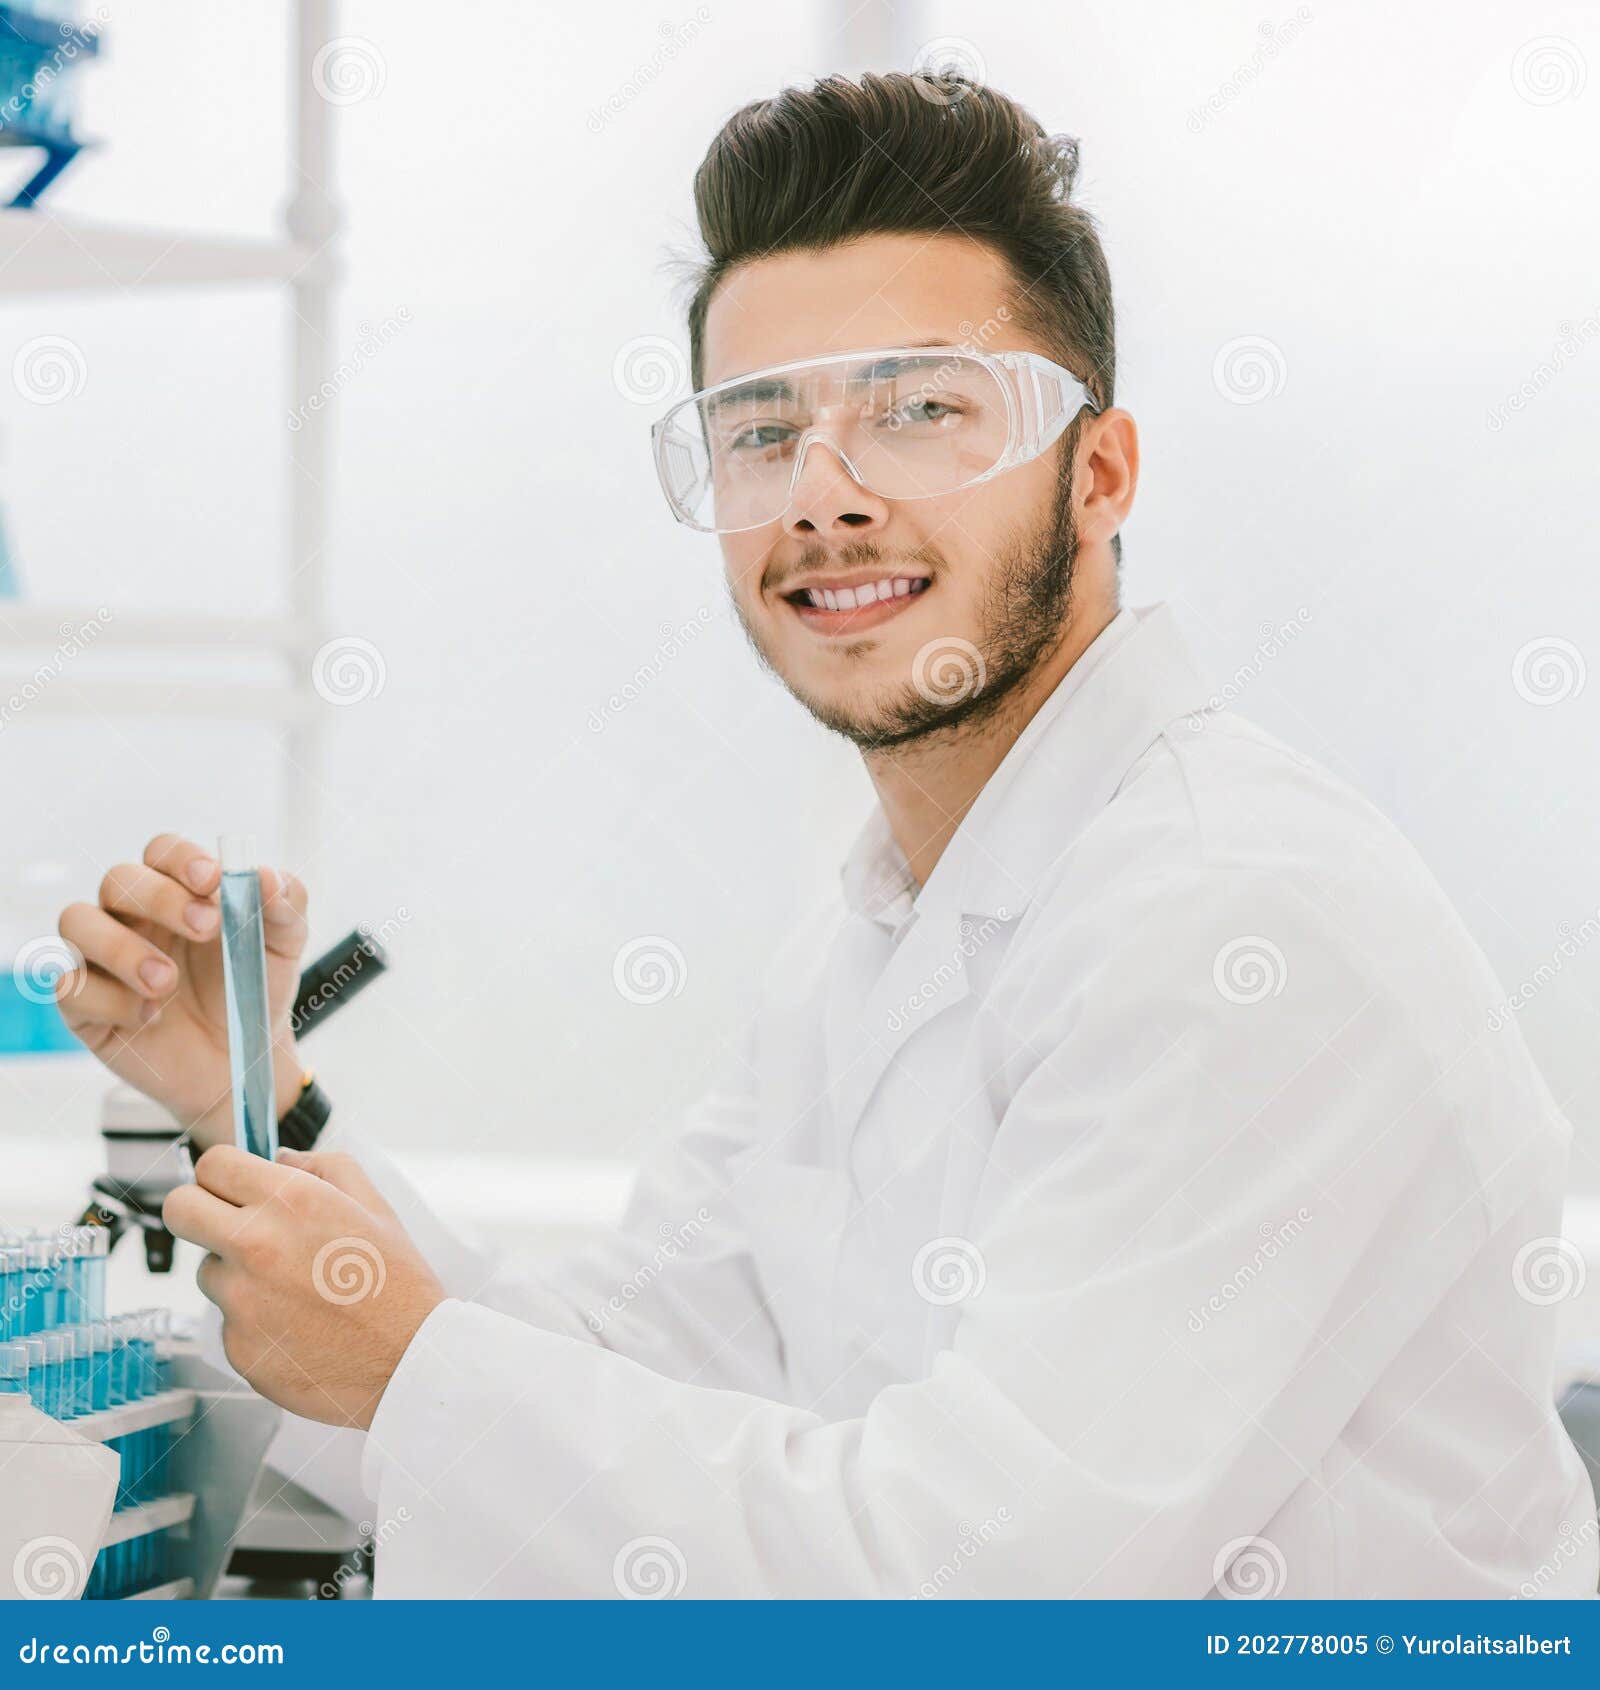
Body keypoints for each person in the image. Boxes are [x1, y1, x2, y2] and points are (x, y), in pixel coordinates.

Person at [55, 72, 1596, 1598]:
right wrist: (250, 1083)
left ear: (1103, 474)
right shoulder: (882, 924)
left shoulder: (1235, 922)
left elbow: (979, 1585)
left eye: (923, 410)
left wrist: (413, 1375)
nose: (827, 496)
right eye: (760, 429)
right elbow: (631, 1351)